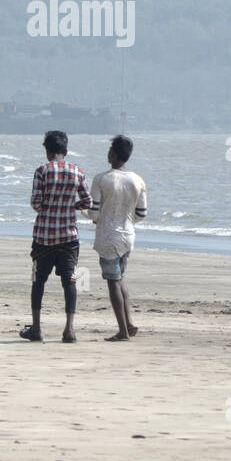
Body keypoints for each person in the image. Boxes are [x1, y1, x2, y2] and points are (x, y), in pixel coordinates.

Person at [21, 130, 92, 343]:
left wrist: (49, 207)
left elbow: (36, 203)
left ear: (47, 151)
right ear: (65, 151)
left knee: (38, 282)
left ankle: (36, 328)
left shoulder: (42, 171)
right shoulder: (77, 171)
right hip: (69, 236)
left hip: (44, 236)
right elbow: (88, 201)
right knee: (69, 281)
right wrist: (71, 206)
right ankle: (69, 329)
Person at [86, 135, 148, 342]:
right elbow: (141, 214)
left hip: (108, 236)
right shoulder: (138, 180)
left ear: (112, 153)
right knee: (120, 278)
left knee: (112, 282)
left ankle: (122, 330)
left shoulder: (101, 179)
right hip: (128, 235)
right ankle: (128, 323)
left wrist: (89, 215)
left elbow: (94, 212)